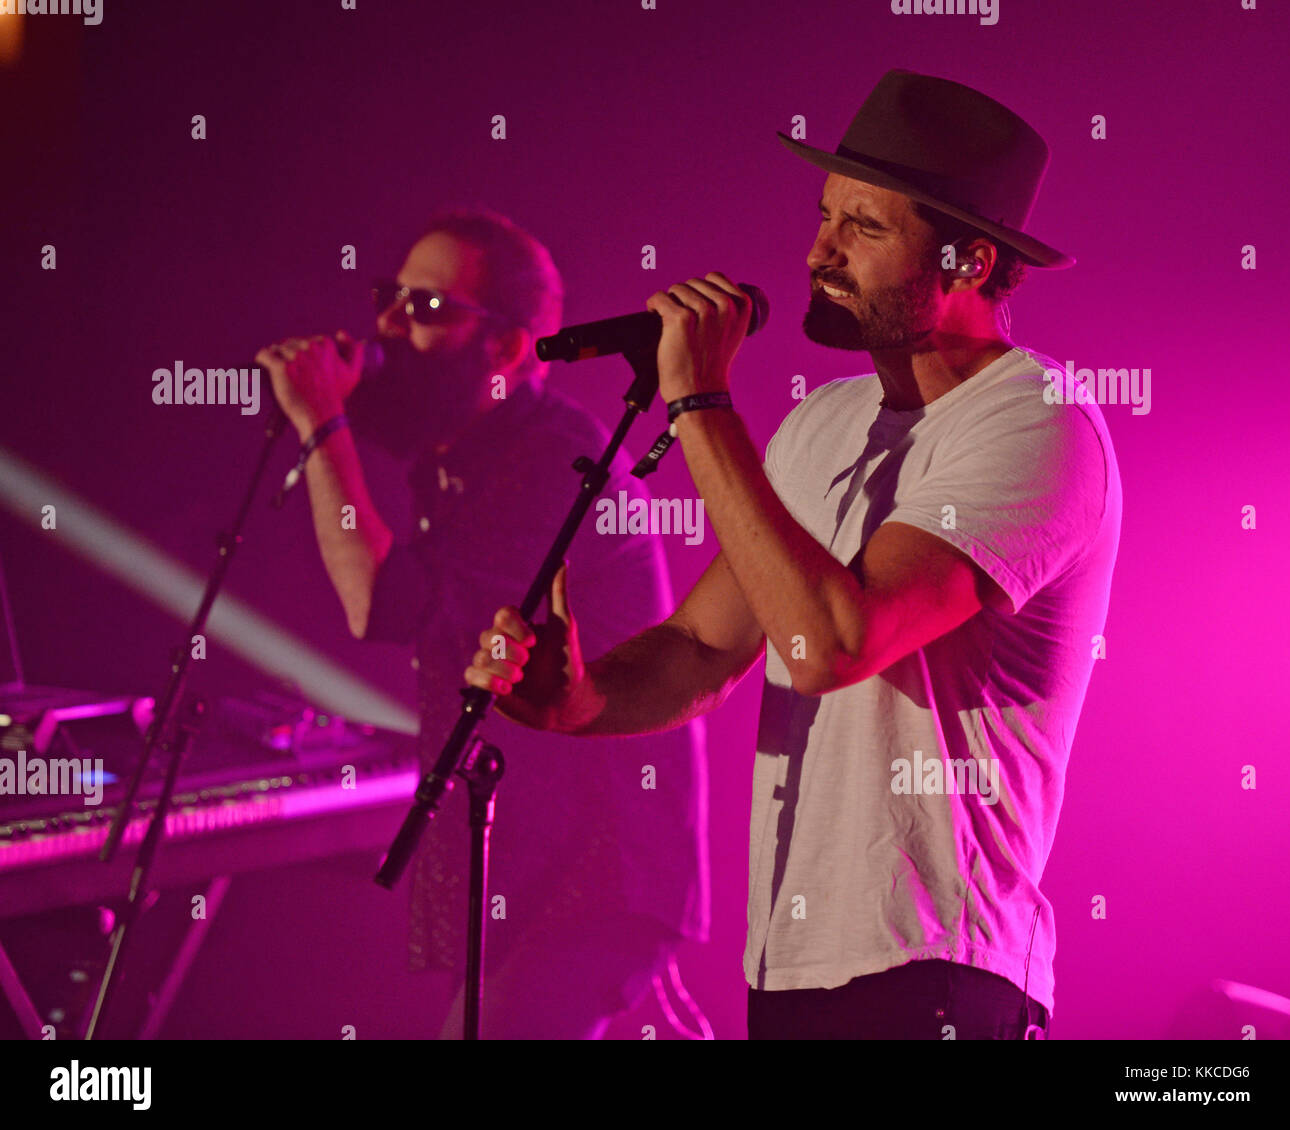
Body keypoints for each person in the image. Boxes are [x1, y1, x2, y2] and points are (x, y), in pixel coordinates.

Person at [466, 70, 1122, 1040]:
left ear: (971, 261)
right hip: (789, 961)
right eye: (824, 216)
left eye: (865, 227)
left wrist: (698, 401)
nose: (819, 250)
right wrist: (582, 700)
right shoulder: (825, 417)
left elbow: (829, 645)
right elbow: (699, 647)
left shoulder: (1034, 421)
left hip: (938, 966)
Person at [258, 207, 709, 1039]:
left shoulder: (550, 464)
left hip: (599, 869)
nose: (389, 324)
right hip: (532, 858)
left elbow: (381, 605)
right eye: (391, 298)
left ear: (506, 349)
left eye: (427, 309)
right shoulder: (466, 454)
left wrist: (321, 424)